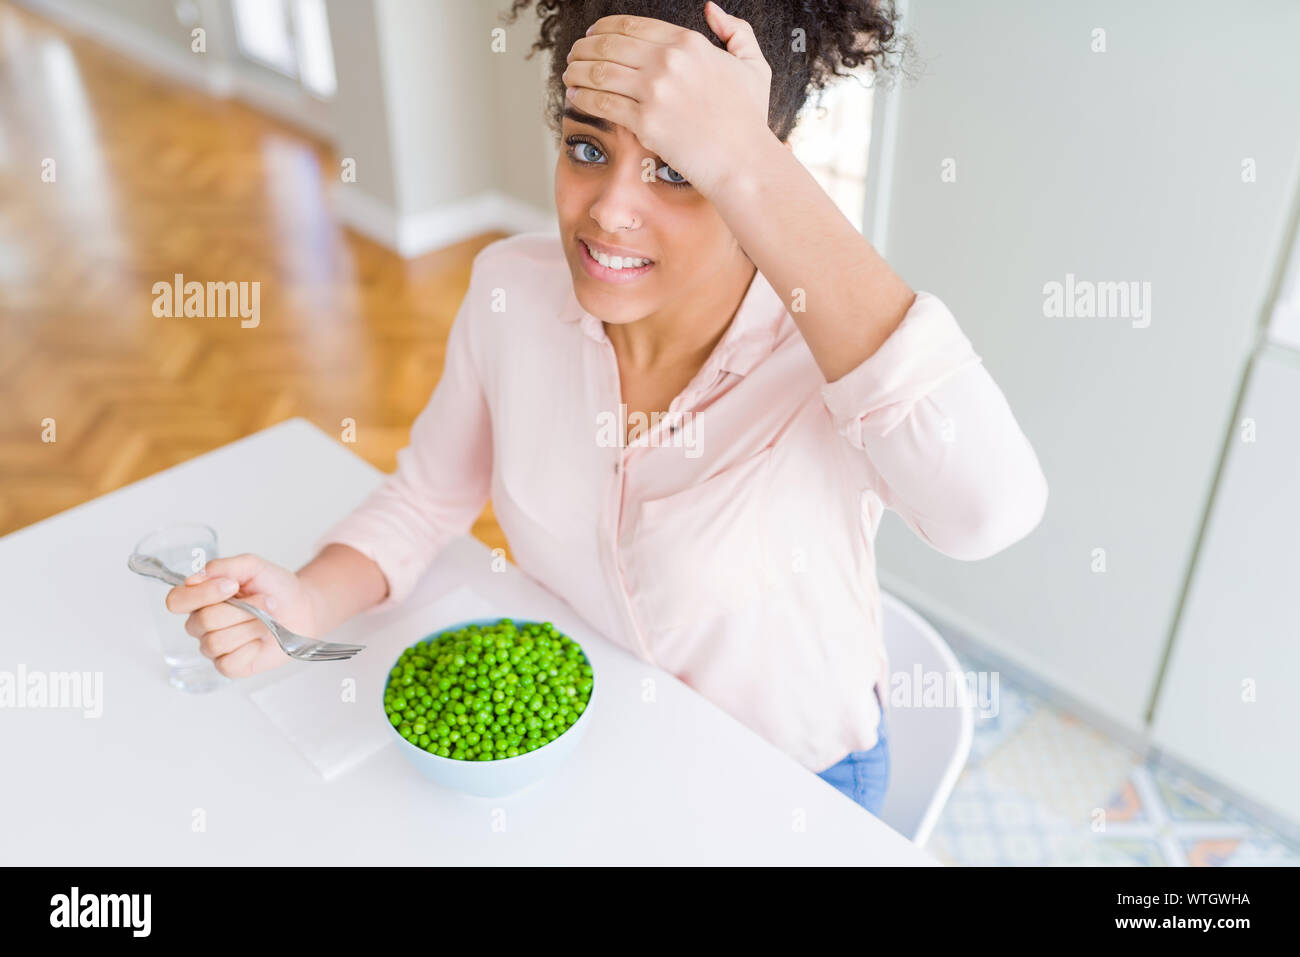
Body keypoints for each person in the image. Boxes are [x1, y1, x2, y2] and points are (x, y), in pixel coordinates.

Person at [164, 1, 1048, 817]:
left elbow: (989, 509)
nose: (611, 212)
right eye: (588, 148)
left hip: (790, 783)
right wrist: (308, 602)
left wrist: (744, 159)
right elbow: (428, 496)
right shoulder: (510, 291)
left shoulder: (830, 348)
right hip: (598, 737)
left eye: (678, 169)